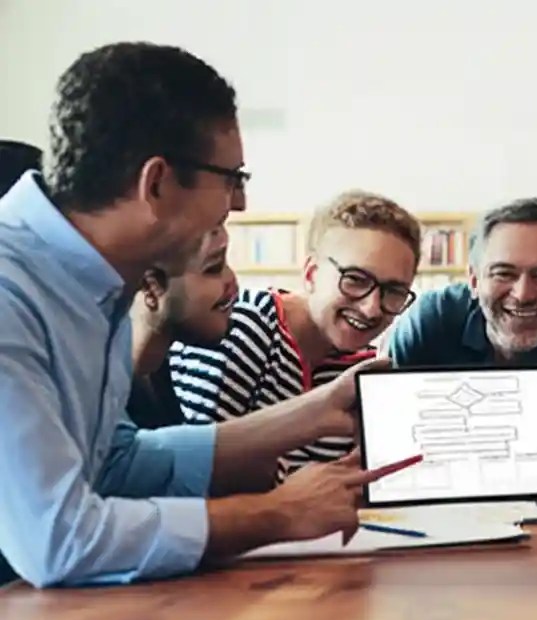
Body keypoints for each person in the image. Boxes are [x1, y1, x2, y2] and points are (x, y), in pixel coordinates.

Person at [0, 42, 416, 589]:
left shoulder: (95, 283)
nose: (238, 205)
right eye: (231, 178)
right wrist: (278, 514)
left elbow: (116, 465)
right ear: (157, 185)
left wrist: (312, 412)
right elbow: (60, 539)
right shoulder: (13, 292)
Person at [170, 189, 421, 478]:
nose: (371, 308)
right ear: (311, 273)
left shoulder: (358, 365)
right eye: (355, 279)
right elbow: (191, 472)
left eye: (394, 292)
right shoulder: (244, 324)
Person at [385, 197, 537, 454]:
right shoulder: (430, 320)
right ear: (474, 280)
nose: (523, 294)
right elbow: (395, 443)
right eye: (503, 273)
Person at [128, 224, 238, 430]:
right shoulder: (104, 392)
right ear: (151, 287)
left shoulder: (156, 374)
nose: (231, 280)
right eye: (213, 268)